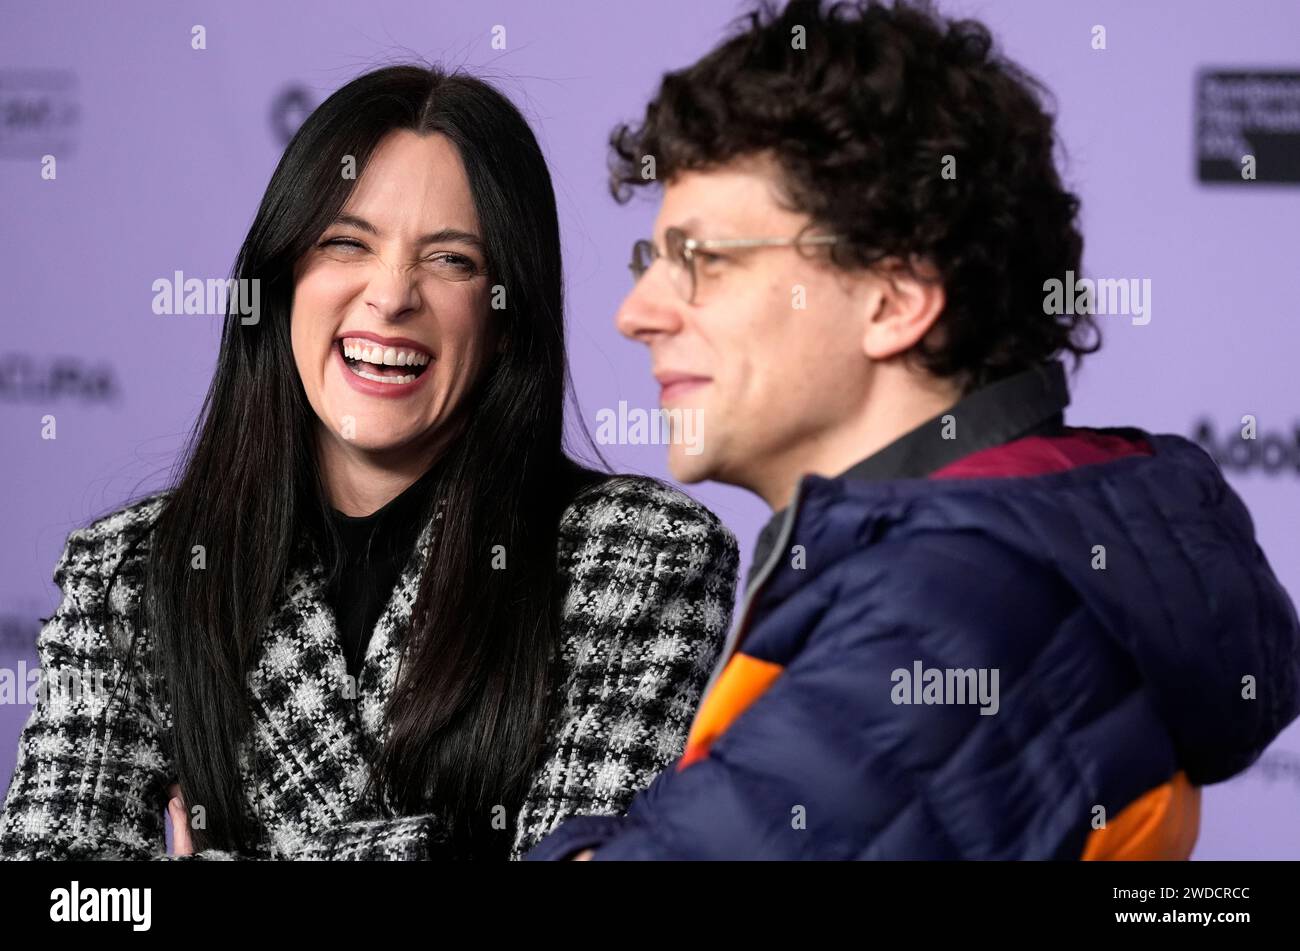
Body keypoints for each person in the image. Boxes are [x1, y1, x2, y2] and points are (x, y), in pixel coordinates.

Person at [527, 0, 1300, 860]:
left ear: (893, 301)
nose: (636, 313)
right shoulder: (991, 560)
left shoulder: (959, 606)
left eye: (702, 259)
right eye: (651, 261)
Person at [0, 64, 738, 860]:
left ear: (508, 317)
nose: (390, 296)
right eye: (346, 242)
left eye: (451, 259)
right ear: (281, 281)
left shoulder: (638, 557)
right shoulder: (131, 574)